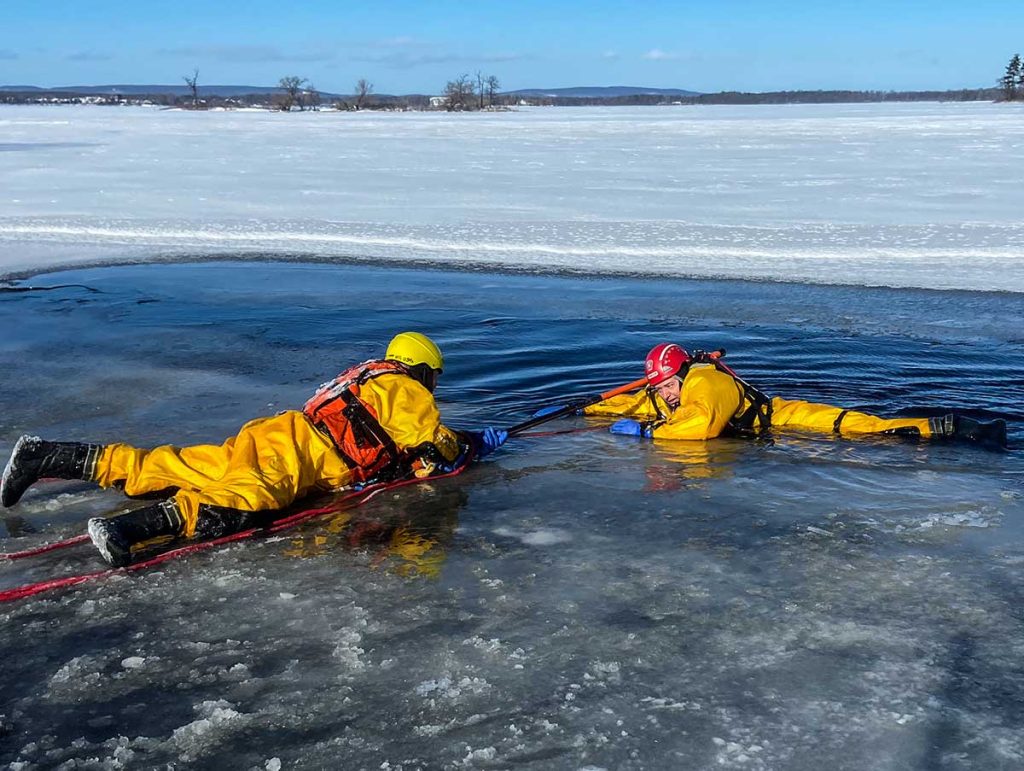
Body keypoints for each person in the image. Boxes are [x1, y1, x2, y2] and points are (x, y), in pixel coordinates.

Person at [0, 332, 508, 567]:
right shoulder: (407, 388)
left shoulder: (370, 377)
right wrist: (472, 446)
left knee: (174, 465)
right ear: (422, 369)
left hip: (273, 432)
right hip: (297, 458)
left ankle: (47, 454)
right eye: (434, 379)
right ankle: (126, 530)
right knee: (245, 500)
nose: (433, 388)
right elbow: (433, 450)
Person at [584, 343, 1008, 446]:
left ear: (681, 374)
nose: (665, 396)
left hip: (784, 420)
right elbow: (635, 402)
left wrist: (647, 435)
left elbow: (700, 426)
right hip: (762, 437)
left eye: (667, 386)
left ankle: (957, 429)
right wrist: (587, 410)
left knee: (869, 429)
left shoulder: (705, 383)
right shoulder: (667, 389)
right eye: (659, 389)